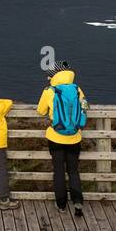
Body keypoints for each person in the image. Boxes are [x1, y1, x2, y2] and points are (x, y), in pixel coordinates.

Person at [37, 62, 89, 217]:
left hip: (56, 137)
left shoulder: (49, 91)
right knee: (73, 171)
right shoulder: (77, 89)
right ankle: (77, 201)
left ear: (54, 75)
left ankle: (61, 204)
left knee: (58, 171)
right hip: (74, 138)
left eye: (50, 74)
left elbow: (40, 111)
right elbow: (85, 107)